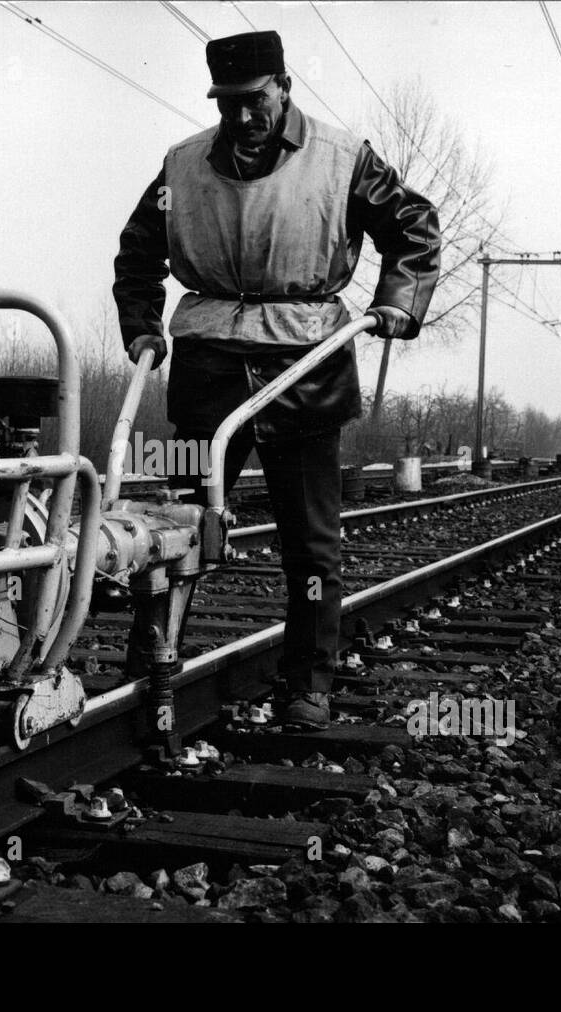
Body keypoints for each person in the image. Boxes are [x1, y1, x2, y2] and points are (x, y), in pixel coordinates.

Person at [113, 29, 441, 729]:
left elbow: (413, 225)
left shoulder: (342, 159)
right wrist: (141, 324)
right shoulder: (183, 167)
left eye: (254, 100)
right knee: (175, 525)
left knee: (310, 540)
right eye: (228, 103)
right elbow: (138, 252)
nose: (242, 115)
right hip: (207, 368)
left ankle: (308, 684)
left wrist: (396, 305)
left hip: (306, 365)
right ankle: (149, 659)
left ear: (284, 88)